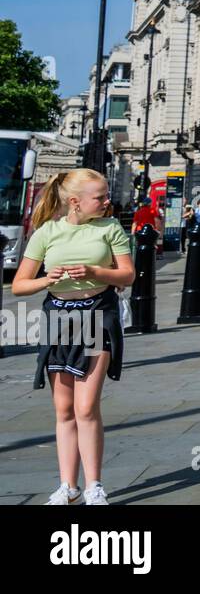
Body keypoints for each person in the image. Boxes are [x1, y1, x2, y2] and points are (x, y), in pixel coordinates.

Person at [10, 169, 136, 506]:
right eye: (101, 196)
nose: (108, 201)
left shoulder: (110, 228)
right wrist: (45, 279)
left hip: (98, 315)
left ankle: (94, 484)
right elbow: (19, 284)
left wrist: (96, 272)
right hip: (58, 317)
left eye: (106, 194)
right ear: (75, 202)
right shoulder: (46, 232)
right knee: (64, 408)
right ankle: (68, 485)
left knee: (85, 407)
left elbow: (128, 274)